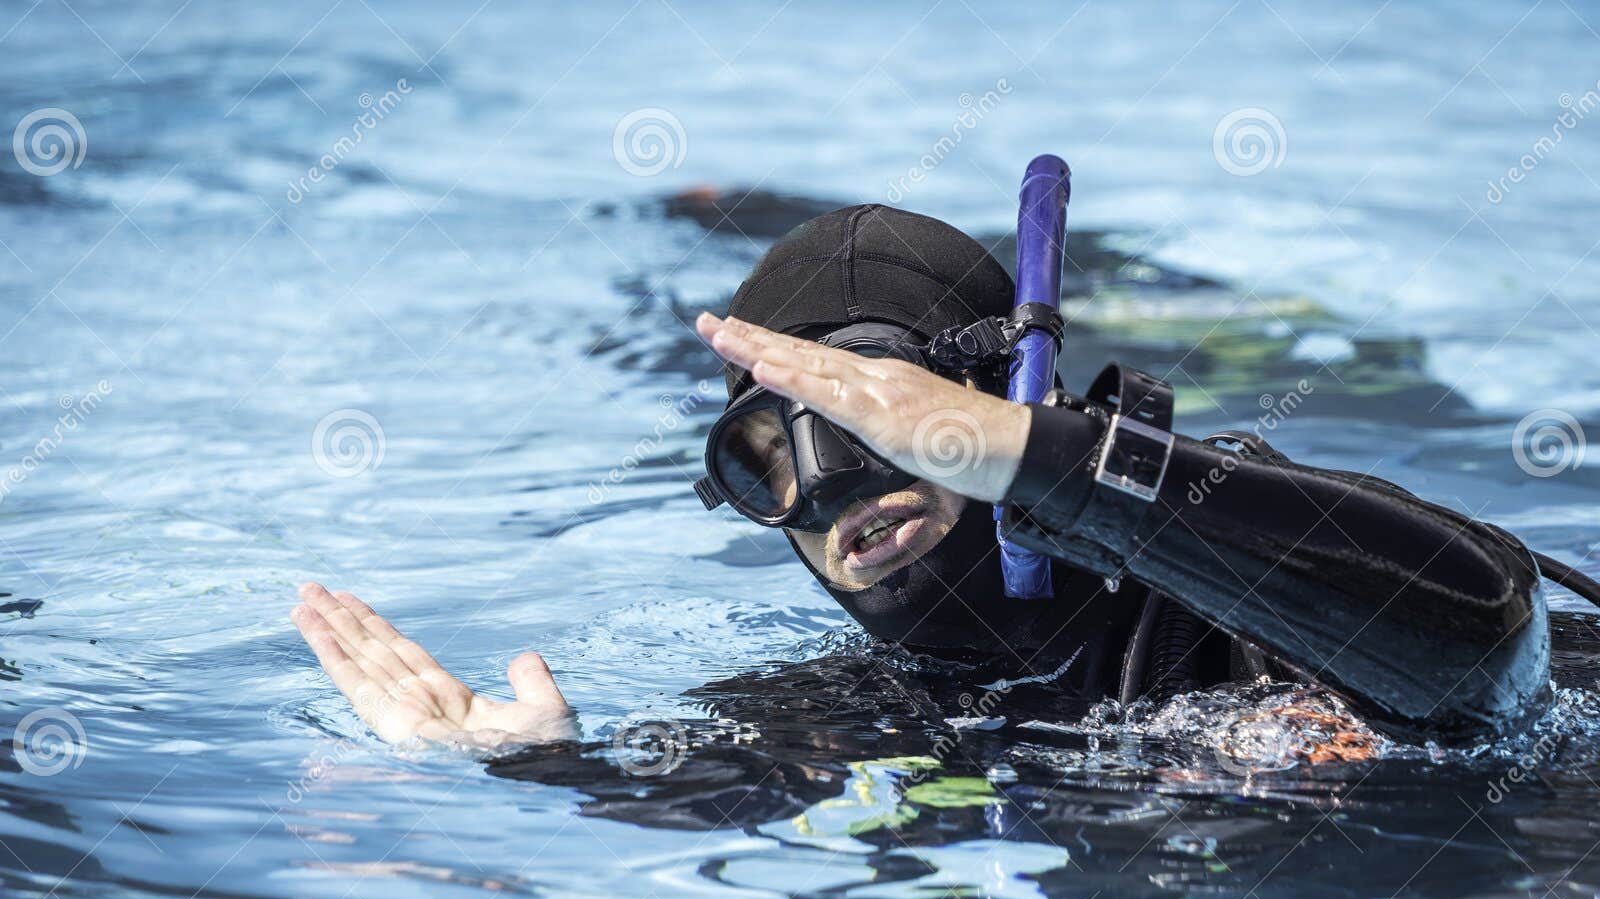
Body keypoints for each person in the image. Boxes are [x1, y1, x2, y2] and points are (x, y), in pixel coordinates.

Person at [292, 205, 1567, 755]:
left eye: (875, 423)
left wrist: (1046, 465)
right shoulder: (864, 709)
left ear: (998, 404)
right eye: (765, 458)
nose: (829, 490)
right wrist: (525, 769)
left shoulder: (1237, 566)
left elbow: (1487, 644)